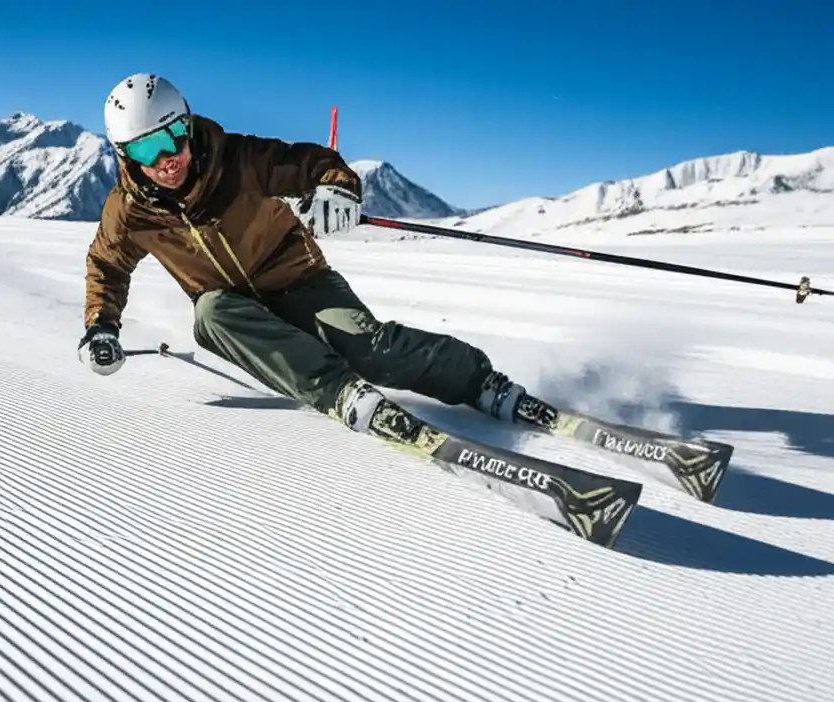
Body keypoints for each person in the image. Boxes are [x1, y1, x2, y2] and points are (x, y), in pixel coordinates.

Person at [78, 73, 550, 445]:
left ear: (188, 124)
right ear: (124, 154)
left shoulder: (238, 159)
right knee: (211, 313)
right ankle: (340, 393)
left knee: (372, 351)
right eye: (146, 147)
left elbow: (315, 163)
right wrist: (101, 324)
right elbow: (108, 264)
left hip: (301, 280)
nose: (167, 157)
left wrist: (338, 189)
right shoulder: (129, 210)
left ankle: (482, 384)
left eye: (174, 135)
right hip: (240, 317)